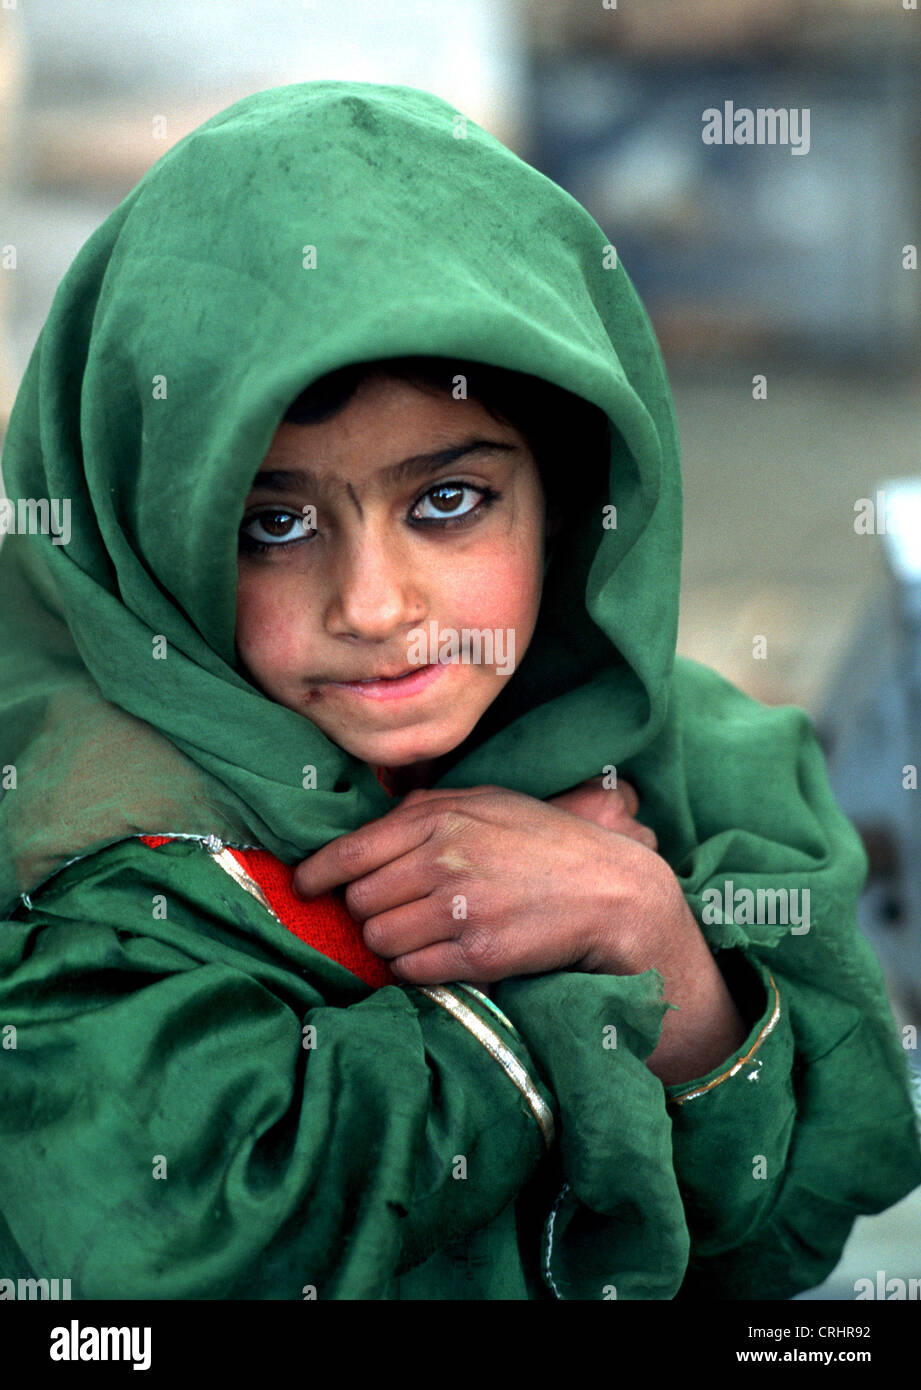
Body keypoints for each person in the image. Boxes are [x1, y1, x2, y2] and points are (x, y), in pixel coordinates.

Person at [0, 81, 917, 1302]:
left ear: (573, 489)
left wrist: (658, 939)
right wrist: (534, 981)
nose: (375, 605)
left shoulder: (699, 768)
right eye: (272, 522)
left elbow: (802, 1212)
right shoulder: (82, 854)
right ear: (146, 528)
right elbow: (166, 1252)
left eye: (448, 502)